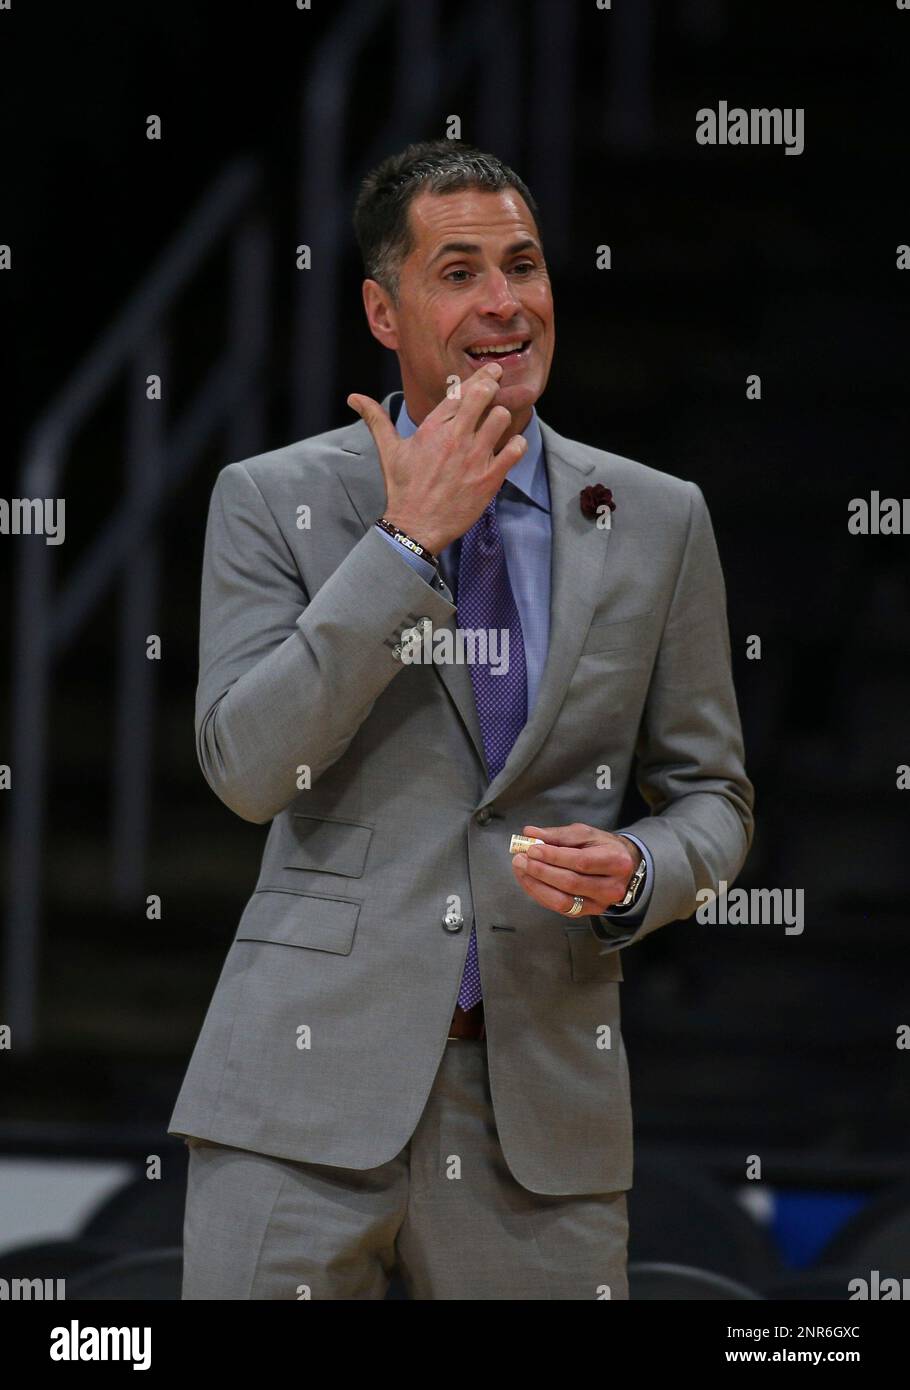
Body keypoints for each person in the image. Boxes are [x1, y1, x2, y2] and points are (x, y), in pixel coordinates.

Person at [168, 139, 754, 1300]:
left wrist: (641, 867)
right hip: (300, 1098)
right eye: (459, 271)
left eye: (524, 266)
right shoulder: (274, 499)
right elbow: (246, 767)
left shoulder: (654, 517)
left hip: (539, 1117)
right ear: (384, 313)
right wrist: (403, 546)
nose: (503, 303)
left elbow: (714, 799)